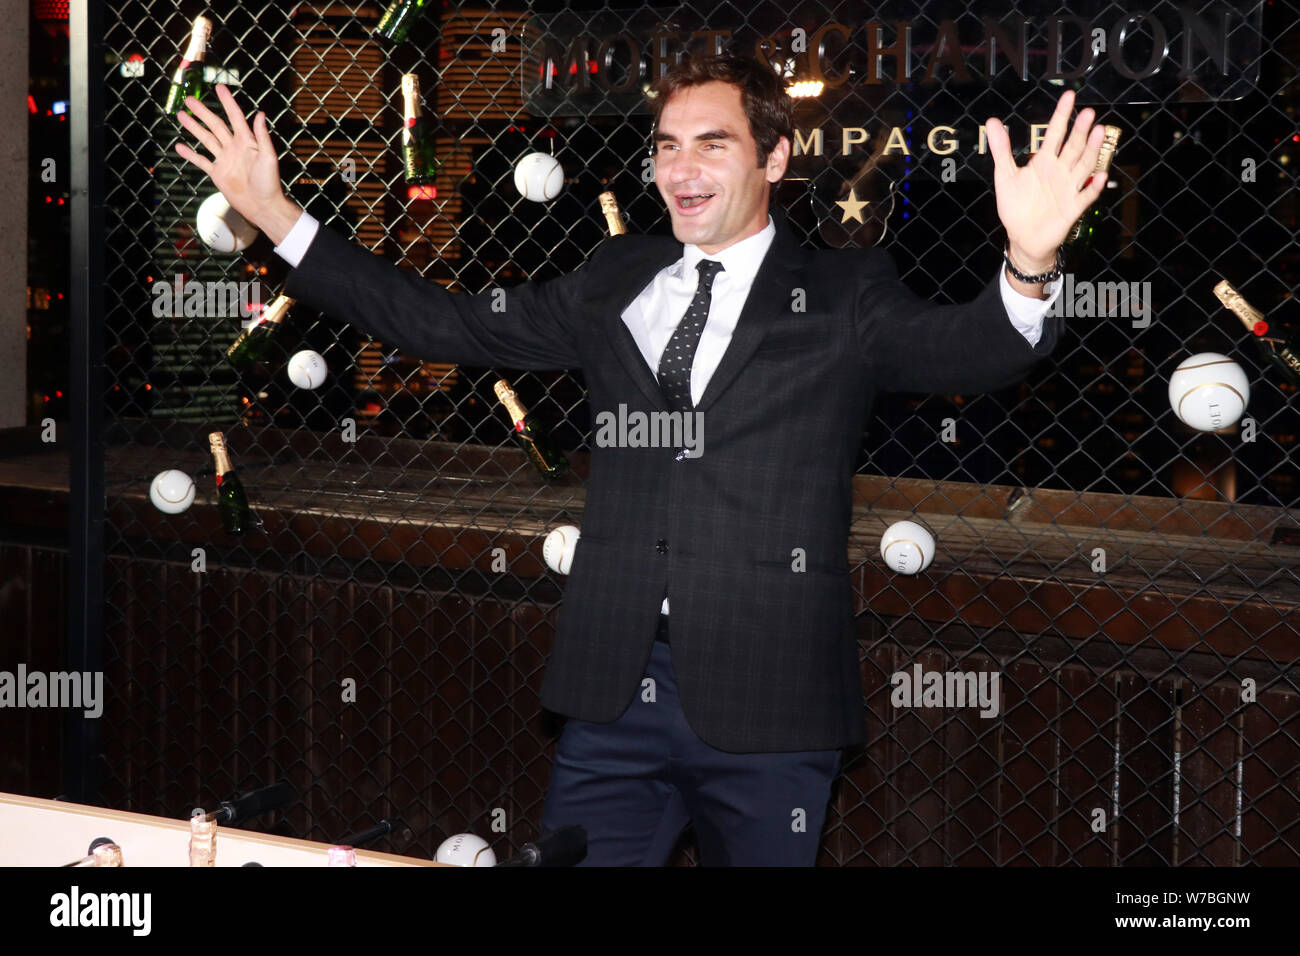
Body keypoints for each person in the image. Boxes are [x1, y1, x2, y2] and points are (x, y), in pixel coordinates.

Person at [176, 53, 1106, 866]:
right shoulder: (616, 278)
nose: (680, 168)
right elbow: (444, 323)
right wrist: (280, 216)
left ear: (775, 159)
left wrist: (1029, 260)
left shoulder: (843, 291)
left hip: (771, 700)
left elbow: (972, 350)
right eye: (665, 145)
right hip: (614, 692)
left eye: (713, 144)